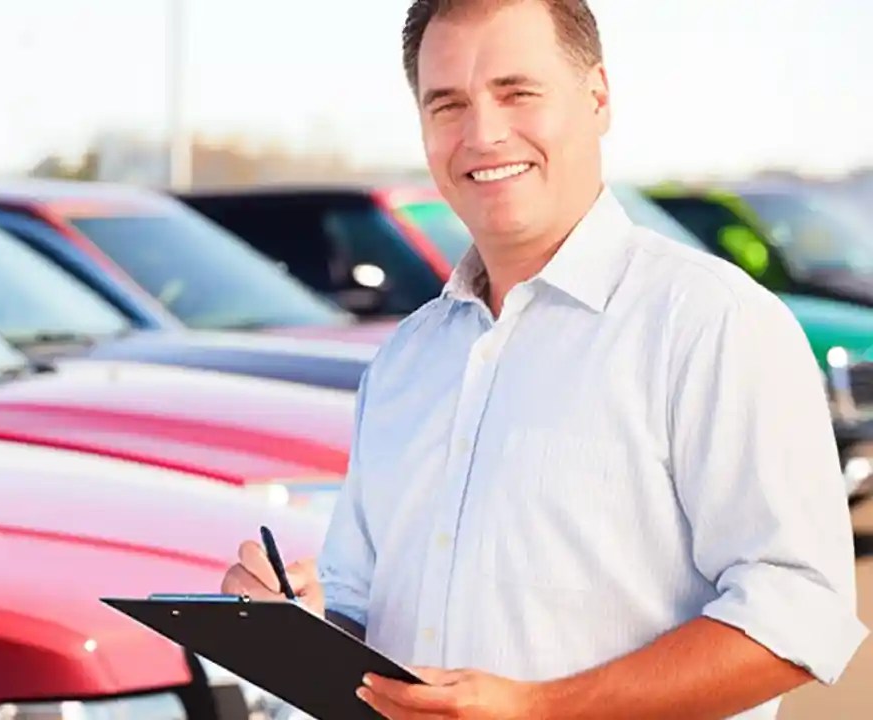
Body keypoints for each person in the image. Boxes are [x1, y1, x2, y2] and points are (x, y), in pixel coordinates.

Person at [220, 1, 869, 717]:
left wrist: (542, 707)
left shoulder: (710, 323)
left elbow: (799, 612)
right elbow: (358, 601)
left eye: (516, 92)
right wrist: (300, 626)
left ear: (597, 98)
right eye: (448, 104)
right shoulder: (409, 359)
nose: (483, 133)